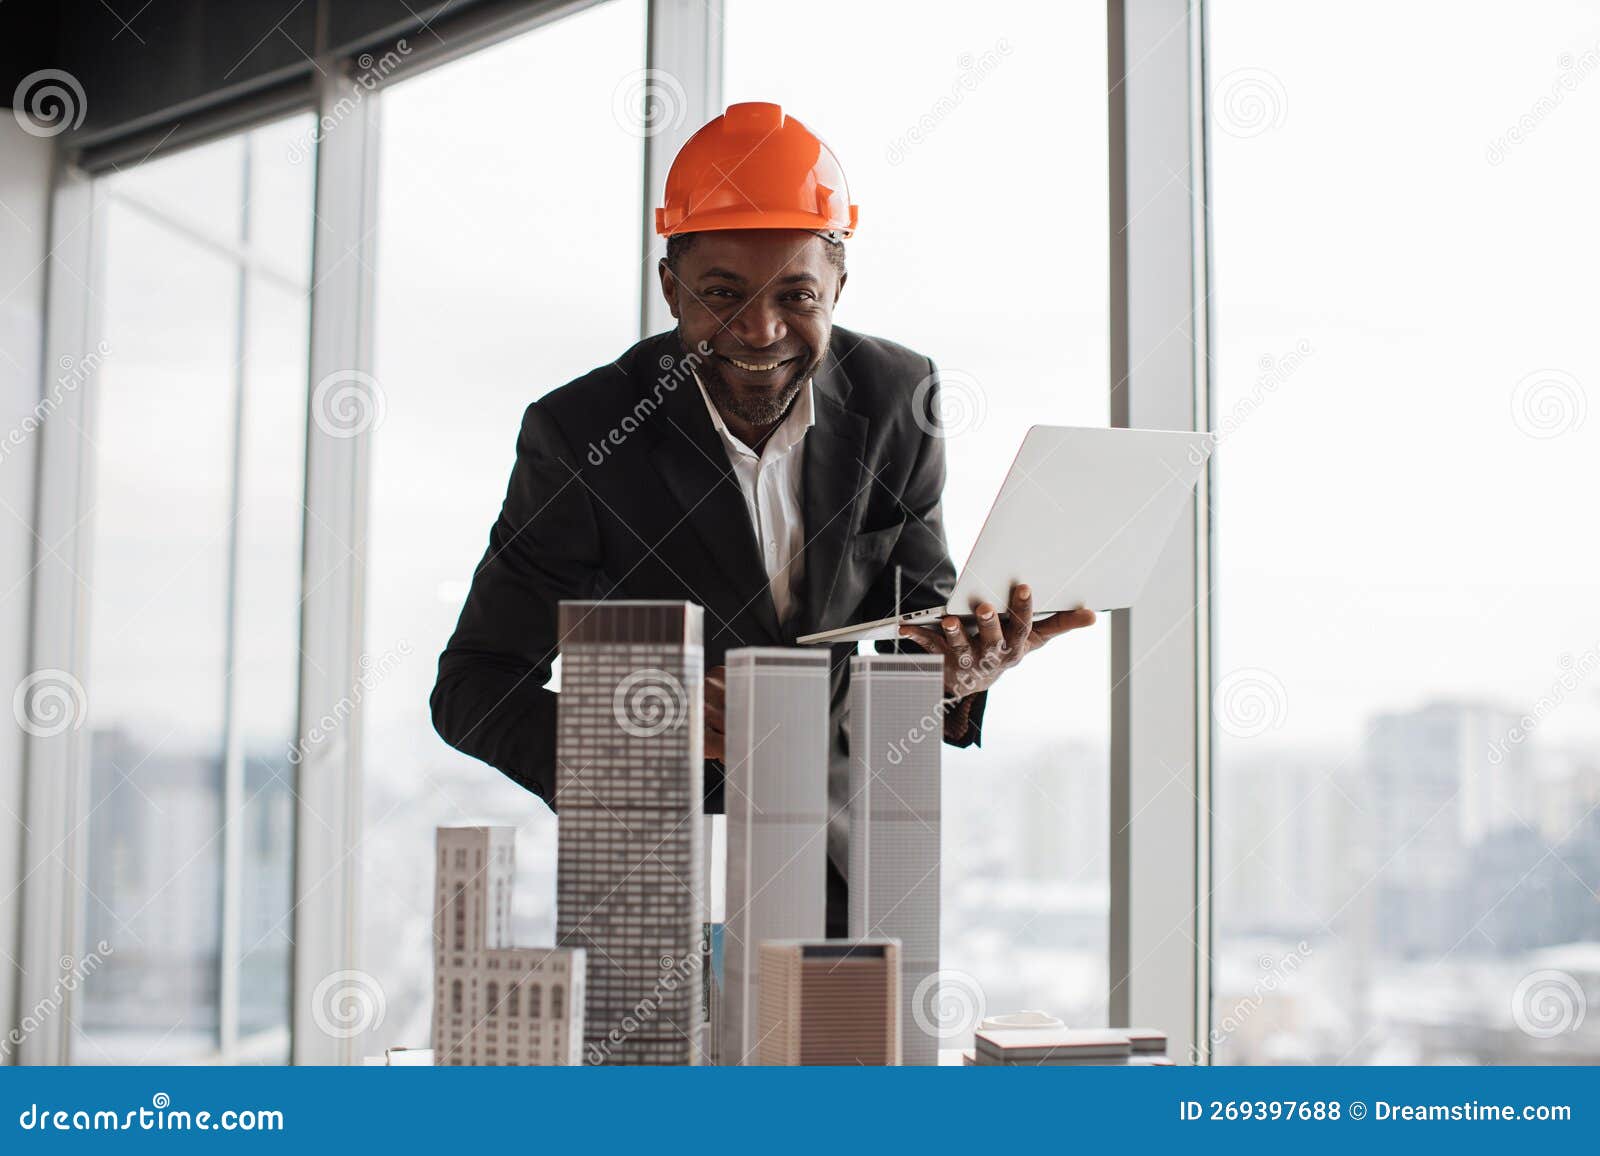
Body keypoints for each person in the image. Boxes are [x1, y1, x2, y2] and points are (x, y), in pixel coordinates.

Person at [430, 102, 1095, 933]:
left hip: (842, 867)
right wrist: (646, 733)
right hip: (656, 877)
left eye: (797, 294)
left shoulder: (898, 398)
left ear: (838, 286)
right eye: (722, 294)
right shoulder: (584, 433)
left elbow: (913, 627)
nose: (759, 329)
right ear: (670, 289)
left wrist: (959, 671)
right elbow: (474, 687)